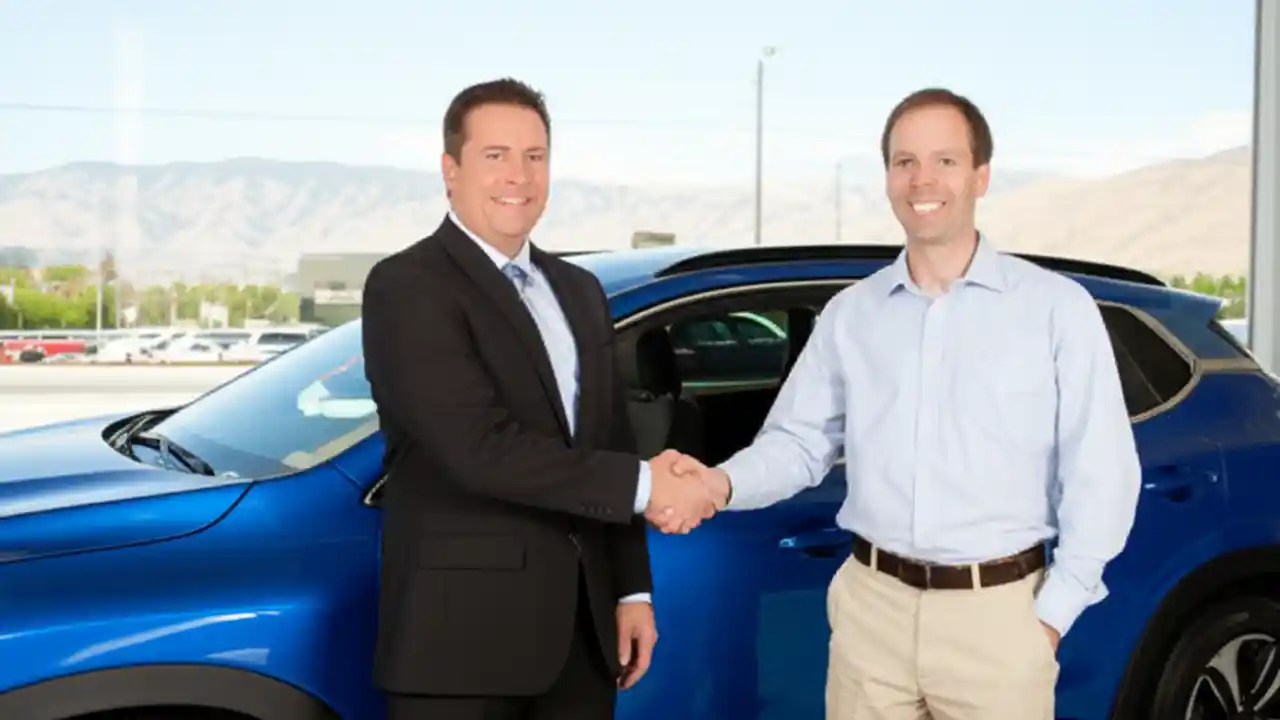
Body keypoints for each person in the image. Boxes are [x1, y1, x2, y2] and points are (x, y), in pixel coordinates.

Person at [672, 88, 1142, 718]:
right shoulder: (852, 315)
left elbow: (1102, 470)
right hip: (873, 615)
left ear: (981, 175)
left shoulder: (1055, 310)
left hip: (1000, 622)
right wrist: (719, 483)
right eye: (904, 162)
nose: (923, 179)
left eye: (945, 161)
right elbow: (798, 444)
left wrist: (1053, 613)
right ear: (889, 177)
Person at [361, 77, 717, 720]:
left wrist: (632, 589)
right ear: (451, 170)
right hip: (461, 650)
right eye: (495, 156)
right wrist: (647, 485)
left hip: (581, 643)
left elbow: (609, 438)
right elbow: (478, 449)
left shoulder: (578, 290)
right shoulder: (407, 287)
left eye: (535, 156)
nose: (518, 177)